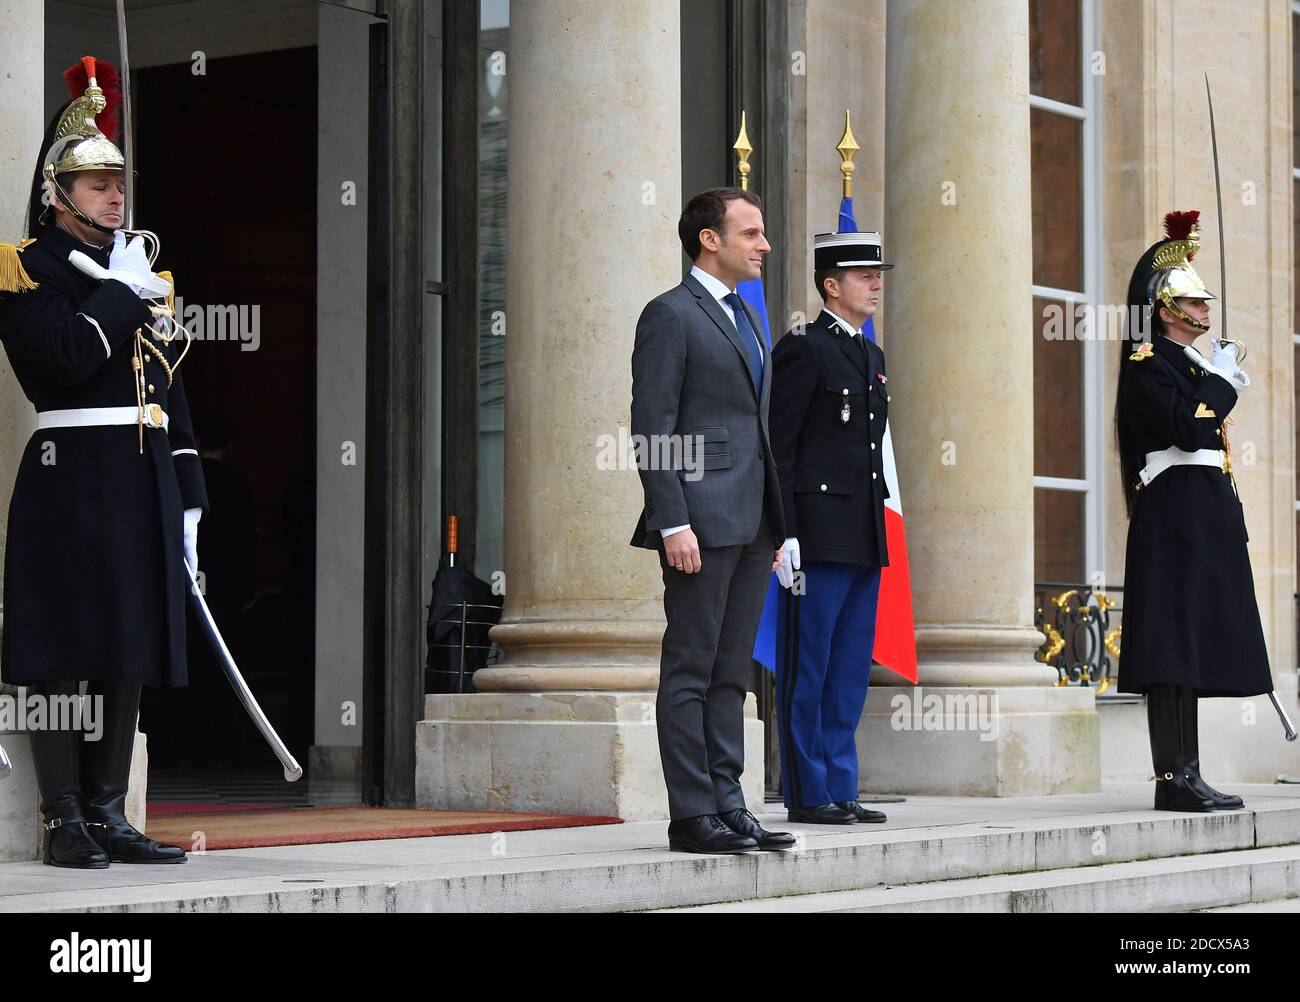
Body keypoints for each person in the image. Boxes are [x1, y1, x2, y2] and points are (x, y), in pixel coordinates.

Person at [0, 57, 205, 866]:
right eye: (96, 186)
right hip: (69, 469)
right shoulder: (27, 269)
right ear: (58, 196)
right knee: (62, 644)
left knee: (129, 640)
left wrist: (188, 491)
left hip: (139, 469)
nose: (115, 197)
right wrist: (121, 295)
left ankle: (108, 809)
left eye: (119, 184)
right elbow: (63, 359)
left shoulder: (136, 273)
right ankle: (62, 817)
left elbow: (169, 383)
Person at [630, 187, 792, 853]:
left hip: (753, 522)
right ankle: (690, 813)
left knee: (732, 672)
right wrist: (673, 522)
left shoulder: (749, 318)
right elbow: (652, 428)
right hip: (699, 520)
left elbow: (759, 429)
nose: (764, 245)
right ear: (710, 239)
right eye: (751, 233)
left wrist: (780, 531)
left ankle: (729, 804)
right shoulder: (670, 314)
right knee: (691, 668)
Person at [1115, 209, 1271, 812]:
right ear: (1167, 310)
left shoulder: (1191, 366)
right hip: (1173, 516)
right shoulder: (1148, 366)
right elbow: (1186, 430)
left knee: (1190, 646)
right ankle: (1172, 780)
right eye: (1195, 304)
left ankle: (1190, 772)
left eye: (1205, 303)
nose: (1207, 312)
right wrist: (1224, 383)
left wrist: (1216, 377)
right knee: (1170, 648)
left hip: (1200, 516)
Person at [767, 232, 893, 824]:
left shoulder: (871, 356)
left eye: (877, 274)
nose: (875, 284)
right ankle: (809, 792)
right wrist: (784, 532)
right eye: (863, 275)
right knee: (809, 666)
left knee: (848, 668)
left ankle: (842, 784)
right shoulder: (803, 347)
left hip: (863, 530)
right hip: (814, 534)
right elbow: (780, 448)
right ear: (830, 284)